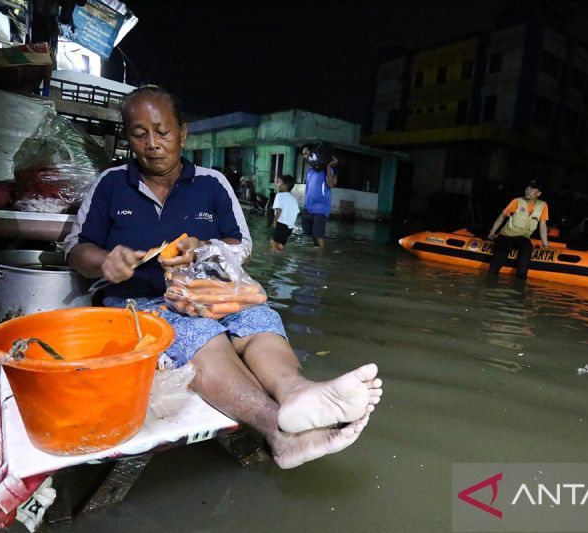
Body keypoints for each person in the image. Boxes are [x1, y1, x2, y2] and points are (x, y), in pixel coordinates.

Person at [64, 85, 382, 469]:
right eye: (139, 133)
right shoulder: (112, 184)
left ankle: (298, 393)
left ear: (183, 133)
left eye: (162, 132)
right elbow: (76, 249)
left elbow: (242, 243)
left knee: (260, 319)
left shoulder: (212, 183)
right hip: (140, 303)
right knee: (201, 337)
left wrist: (204, 248)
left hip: (210, 291)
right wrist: (104, 262)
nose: (152, 144)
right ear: (128, 136)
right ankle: (279, 433)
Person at [487, 179, 550, 279]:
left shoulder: (543, 205)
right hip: (506, 235)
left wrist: (545, 245)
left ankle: (520, 281)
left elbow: (542, 225)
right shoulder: (516, 201)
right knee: (499, 257)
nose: (528, 190)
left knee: (527, 249)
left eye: (532, 189)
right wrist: (491, 233)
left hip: (523, 237)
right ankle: (491, 279)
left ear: (539, 193)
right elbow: (501, 217)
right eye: (527, 187)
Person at [301, 143, 337, 248]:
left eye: (306, 153)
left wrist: (329, 166)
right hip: (308, 208)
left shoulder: (326, 169)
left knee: (318, 235)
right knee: (311, 235)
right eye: (303, 154)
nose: (305, 156)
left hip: (320, 209)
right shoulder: (310, 171)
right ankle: (315, 255)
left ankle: (320, 260)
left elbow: (331, 184)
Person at [270, 174, 299, 252]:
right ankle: (281, 261)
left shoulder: (280, 195)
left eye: (279, 182)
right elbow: (296, 212)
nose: (277, 184)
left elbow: (279, 209)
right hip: (289, 227)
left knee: (273, 243)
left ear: (285, 186)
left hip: (281, 224)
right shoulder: (293, 199)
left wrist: (275, 221)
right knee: (280, 245)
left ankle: (274, 261)